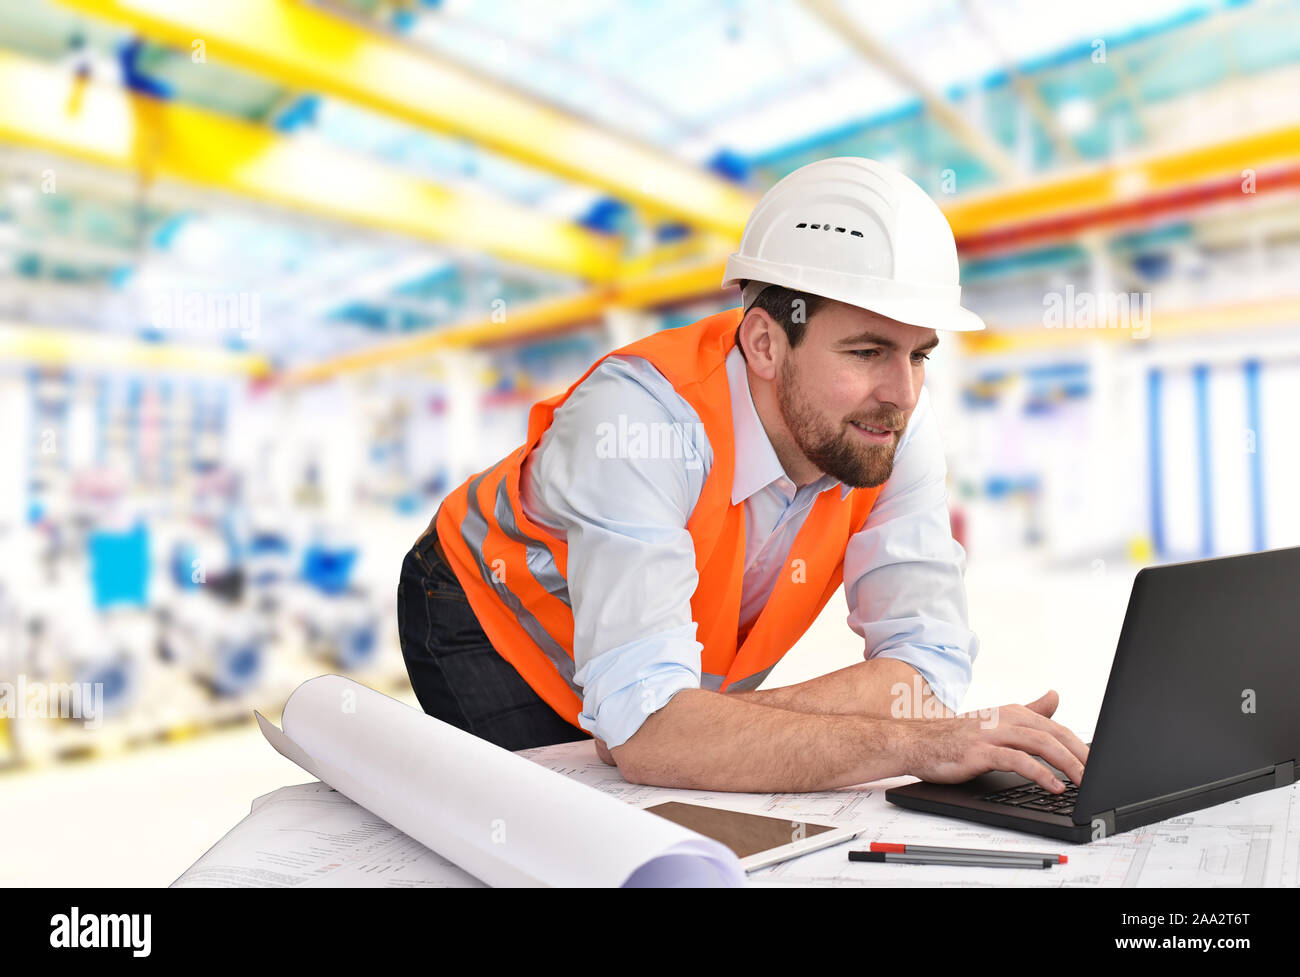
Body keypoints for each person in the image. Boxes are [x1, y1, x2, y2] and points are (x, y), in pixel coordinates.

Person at [397, 157, 1088, 794]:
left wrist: (692, 725)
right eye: (868, 350)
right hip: (487, 615)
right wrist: (912, 744)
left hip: (662, 676)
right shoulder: (641, 420)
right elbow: (646, 741)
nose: (903, 392)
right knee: (558, 832)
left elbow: (927, 666)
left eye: (918, 356)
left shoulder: (890, 422)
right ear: (764, 342)